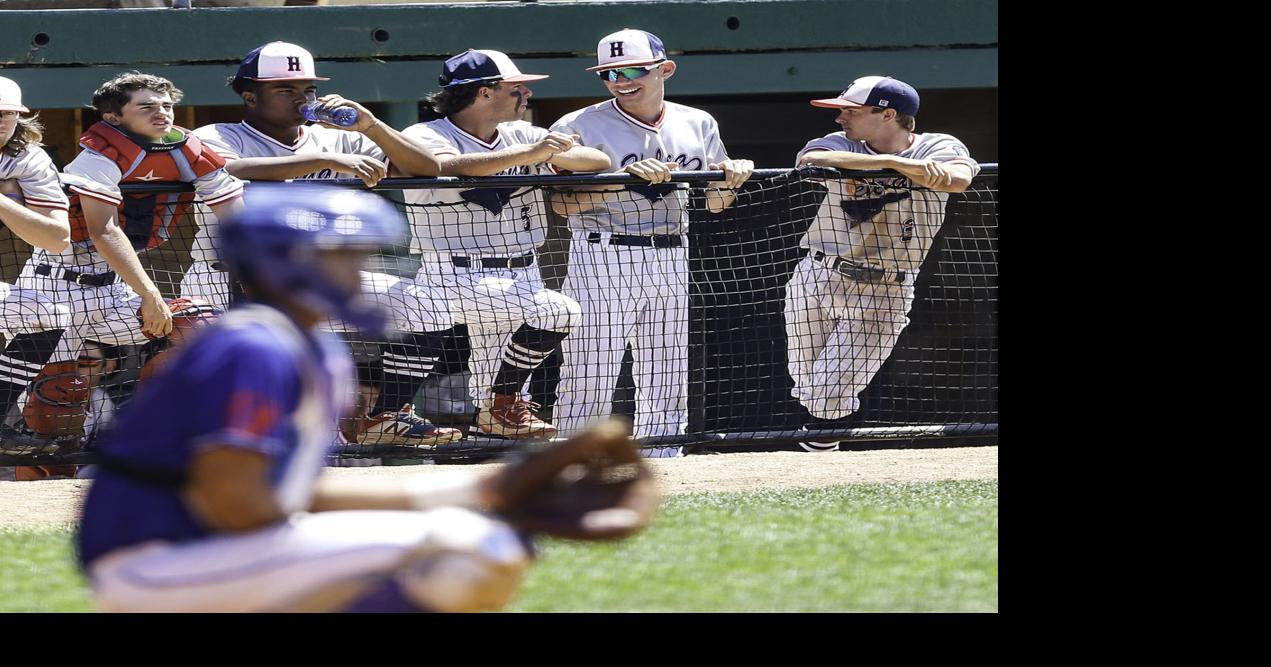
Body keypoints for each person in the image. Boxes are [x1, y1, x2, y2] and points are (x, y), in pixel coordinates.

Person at [76, 183, 656, 612]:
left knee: (475, 536)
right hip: (156, 560)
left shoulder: (312, 349)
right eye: (341, 255)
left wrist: (483, 488)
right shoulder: (251, 347)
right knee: (479, 547)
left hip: (208, 549)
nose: (359, 270)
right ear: (282, 264)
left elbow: (291, 491)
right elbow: (240, 506)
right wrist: (462, 511)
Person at [190, 41, 459, 447]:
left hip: (318, 279)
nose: (302, 99)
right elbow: (227, 169)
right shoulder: (218, 134)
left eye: (307, 90)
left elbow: (428, 168)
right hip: (228, 282)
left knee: (427, 305)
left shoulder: (336, 139)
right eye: (286, 90)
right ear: (250, 96)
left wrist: (371, 126)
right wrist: (323, 161)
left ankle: (386, 416)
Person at [547, 28, 753, 457]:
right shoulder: (577, 126)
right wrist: (622, 182)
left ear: (665, 69)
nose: (621, 80)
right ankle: (571, 465)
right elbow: (563, 206)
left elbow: (715, 205)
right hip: (603, 253)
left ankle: (666, 465)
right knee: (591, 371)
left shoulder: (697, 122)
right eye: (609, 72)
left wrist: (732, 176)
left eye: (633, 69)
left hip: (673, 252)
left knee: (667, 372)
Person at [14, 72, 243, 441]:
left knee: (200, 326)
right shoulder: (96, 158)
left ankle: (158, 428)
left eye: (167, 105)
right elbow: (103, 232)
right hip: (53, 290)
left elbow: (237, 214)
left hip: (112, 291)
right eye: (147, 107)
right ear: (113, 117)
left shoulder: (187, 151)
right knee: (57, 412)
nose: (162, 113)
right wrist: (151, 296)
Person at [395, 49, 610, 439]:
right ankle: (501, 404)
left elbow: (596, 160)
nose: (525, 94)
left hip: (523, 270)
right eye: (515, 88)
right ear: (483, 93)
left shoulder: (522, 132)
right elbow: (448, 166)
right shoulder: (424, 134)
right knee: (557, 312)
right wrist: (533, 154)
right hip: (453, 273)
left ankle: (485, 449)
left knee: (493, 397)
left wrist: (553, 152)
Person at [786, 76, 980, 451]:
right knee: (805, 383)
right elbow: (810, 159)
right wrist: (892, 163)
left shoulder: (937, 145)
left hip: (884, 288)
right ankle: (819, 457)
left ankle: (814, 464)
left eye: (850, 111)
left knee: (826, 393)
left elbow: (958, 178)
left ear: (888, 114)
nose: (840, 118)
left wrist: (901, 165)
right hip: (818, 274)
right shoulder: (845, 144)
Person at [0, 76, 76, 441]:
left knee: (46, 313)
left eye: (6, 114)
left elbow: (57, 238)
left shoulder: (27, 158)